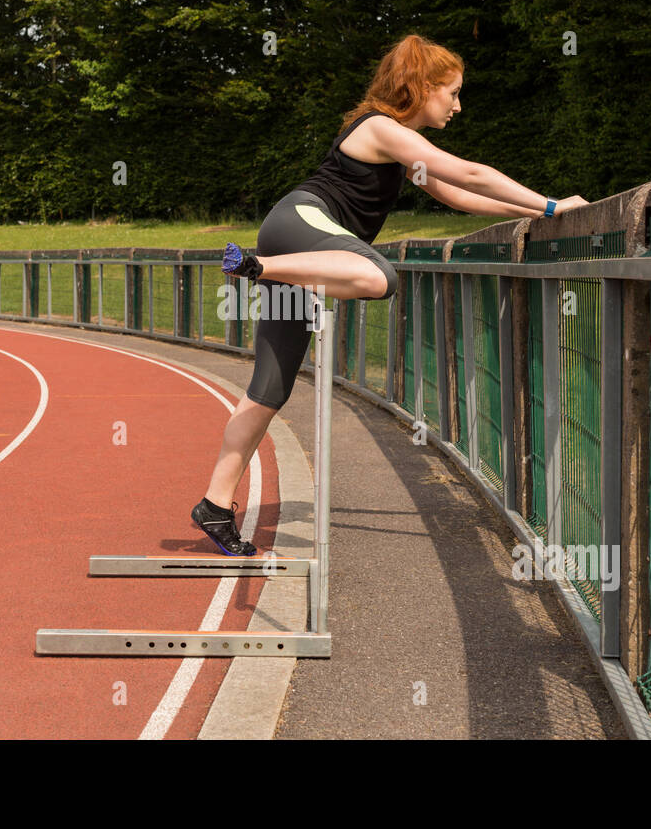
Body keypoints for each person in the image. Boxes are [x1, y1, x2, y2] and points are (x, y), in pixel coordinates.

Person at [190, 33, 589, 555]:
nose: (457, 105)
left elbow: (458, 193)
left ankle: (214, 506)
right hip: (298, 228)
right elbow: (469, 170)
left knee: (270, 385)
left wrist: (534, 212)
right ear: (422, 87)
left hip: (293, 248)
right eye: (452, 92)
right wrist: (556, 206)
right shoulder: (382, 128)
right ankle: (256, 267)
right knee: (379, 277)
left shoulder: (401, 147)